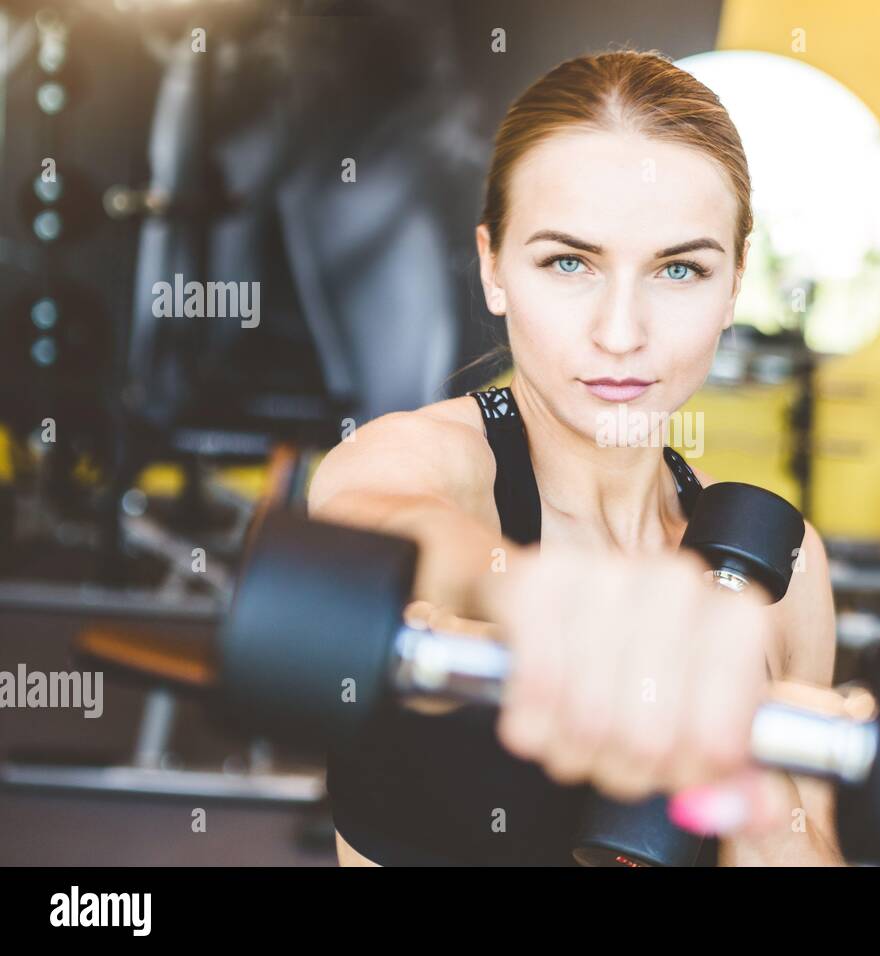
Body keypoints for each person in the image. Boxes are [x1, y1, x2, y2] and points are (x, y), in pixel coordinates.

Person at [307, 48, 843, 866]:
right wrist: (532, 596)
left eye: (679, 269)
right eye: (569, 262)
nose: (621, 333)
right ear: (493, 268)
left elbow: (808, 842)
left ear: (732, 285)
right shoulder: (430, 465)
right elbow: (376, 524)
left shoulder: (785, 566)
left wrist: (749, 790)